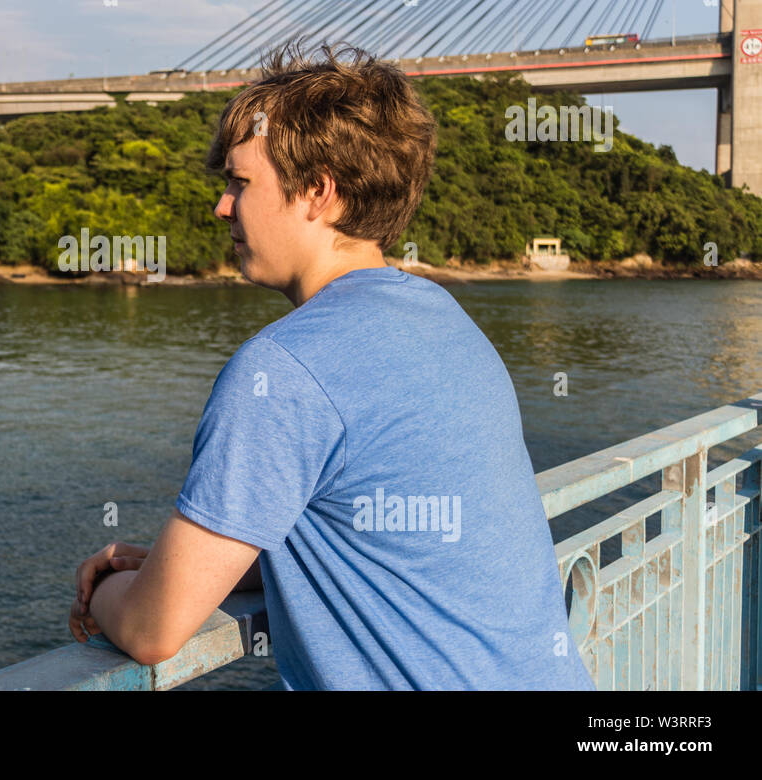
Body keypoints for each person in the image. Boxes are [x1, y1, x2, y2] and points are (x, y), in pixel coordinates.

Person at [66, 39, 595, 690]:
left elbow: (154, 629)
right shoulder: (446, 322)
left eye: (239, 183)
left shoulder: (284, 370)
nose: (221, 207)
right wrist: (189, 563)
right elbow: (394, 534)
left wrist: (112, 589)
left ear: (316, 191)